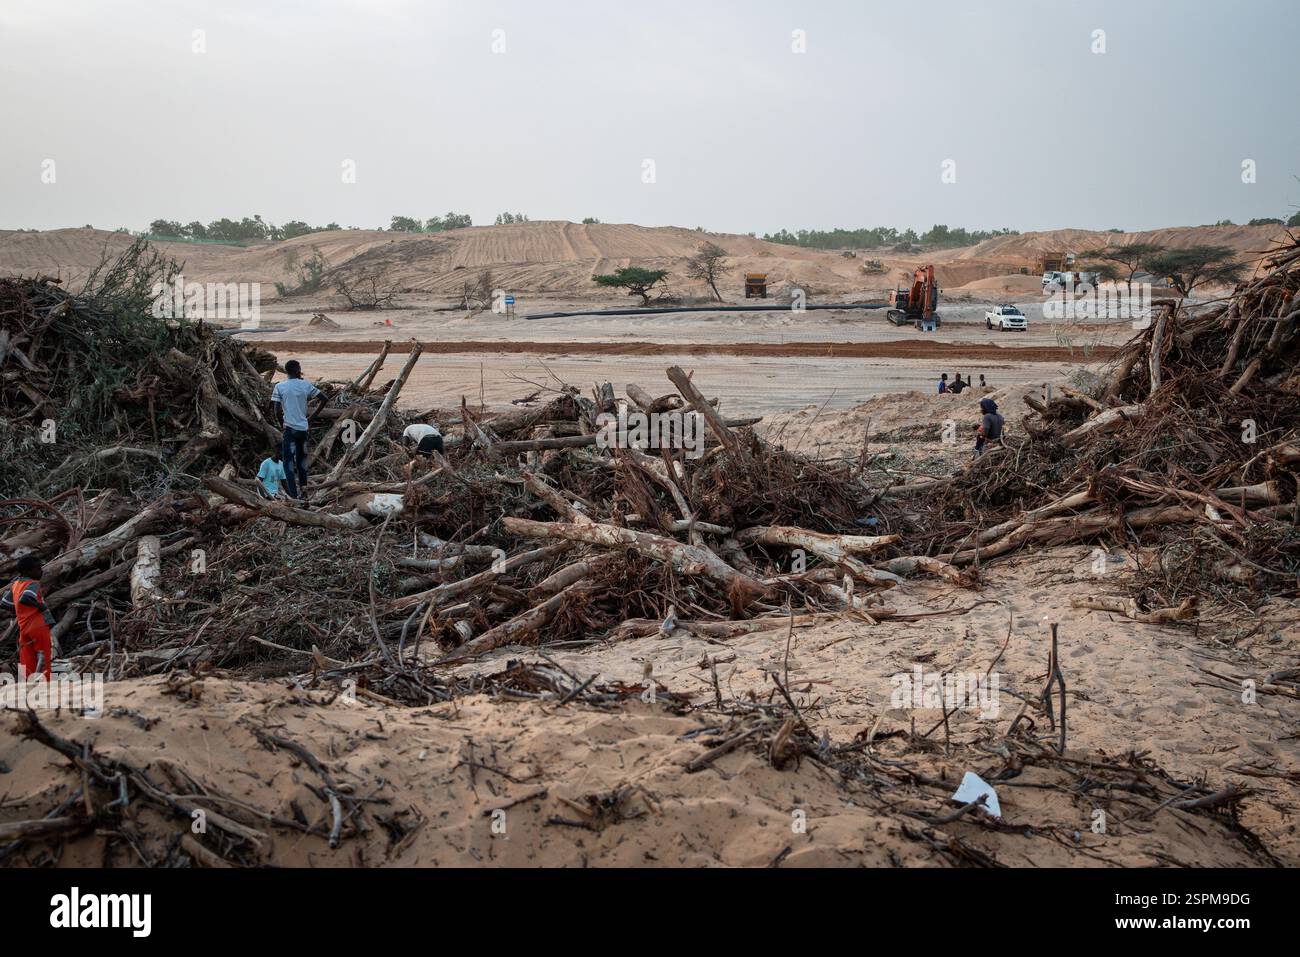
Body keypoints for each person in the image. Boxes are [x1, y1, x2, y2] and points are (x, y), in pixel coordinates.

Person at [271, 359, 321, 500]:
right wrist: (312, 417)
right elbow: (324, 398)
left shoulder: (280, 386)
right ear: (298, 370)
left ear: (286, 371)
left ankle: (293, 495)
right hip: (303, 431)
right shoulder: (305, 385)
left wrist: (282, 424)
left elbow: (276, 410)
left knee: (288, 463)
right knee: (302, 462)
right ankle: (304, 492)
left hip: (289, 430)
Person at [2, 555, 55, 681]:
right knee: (44, 656)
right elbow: (26, 597)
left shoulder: (16, 584)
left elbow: (4, 603)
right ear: (27, 572)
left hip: (23, 627)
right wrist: (40, 607)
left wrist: (20, 611)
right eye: (37, 569)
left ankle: (26, 686)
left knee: (26, 659)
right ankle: (46, 685)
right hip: (38, 625)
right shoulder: (33, 583)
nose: (41, 571)